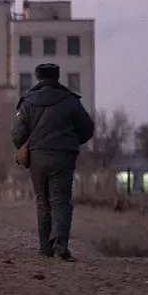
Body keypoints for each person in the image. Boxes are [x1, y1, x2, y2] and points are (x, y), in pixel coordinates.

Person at [11, 63, 94, 260]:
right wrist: (71, 142)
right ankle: (61, 244)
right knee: (61, 201)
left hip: (37, 158)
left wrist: (26, 148)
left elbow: (16, 133)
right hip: (64, 157)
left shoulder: (28, 102)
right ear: (58, 77)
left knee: (43, 201)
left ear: (38, 77)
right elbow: (87, 129)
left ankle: (44, 248)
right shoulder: (71, 101)